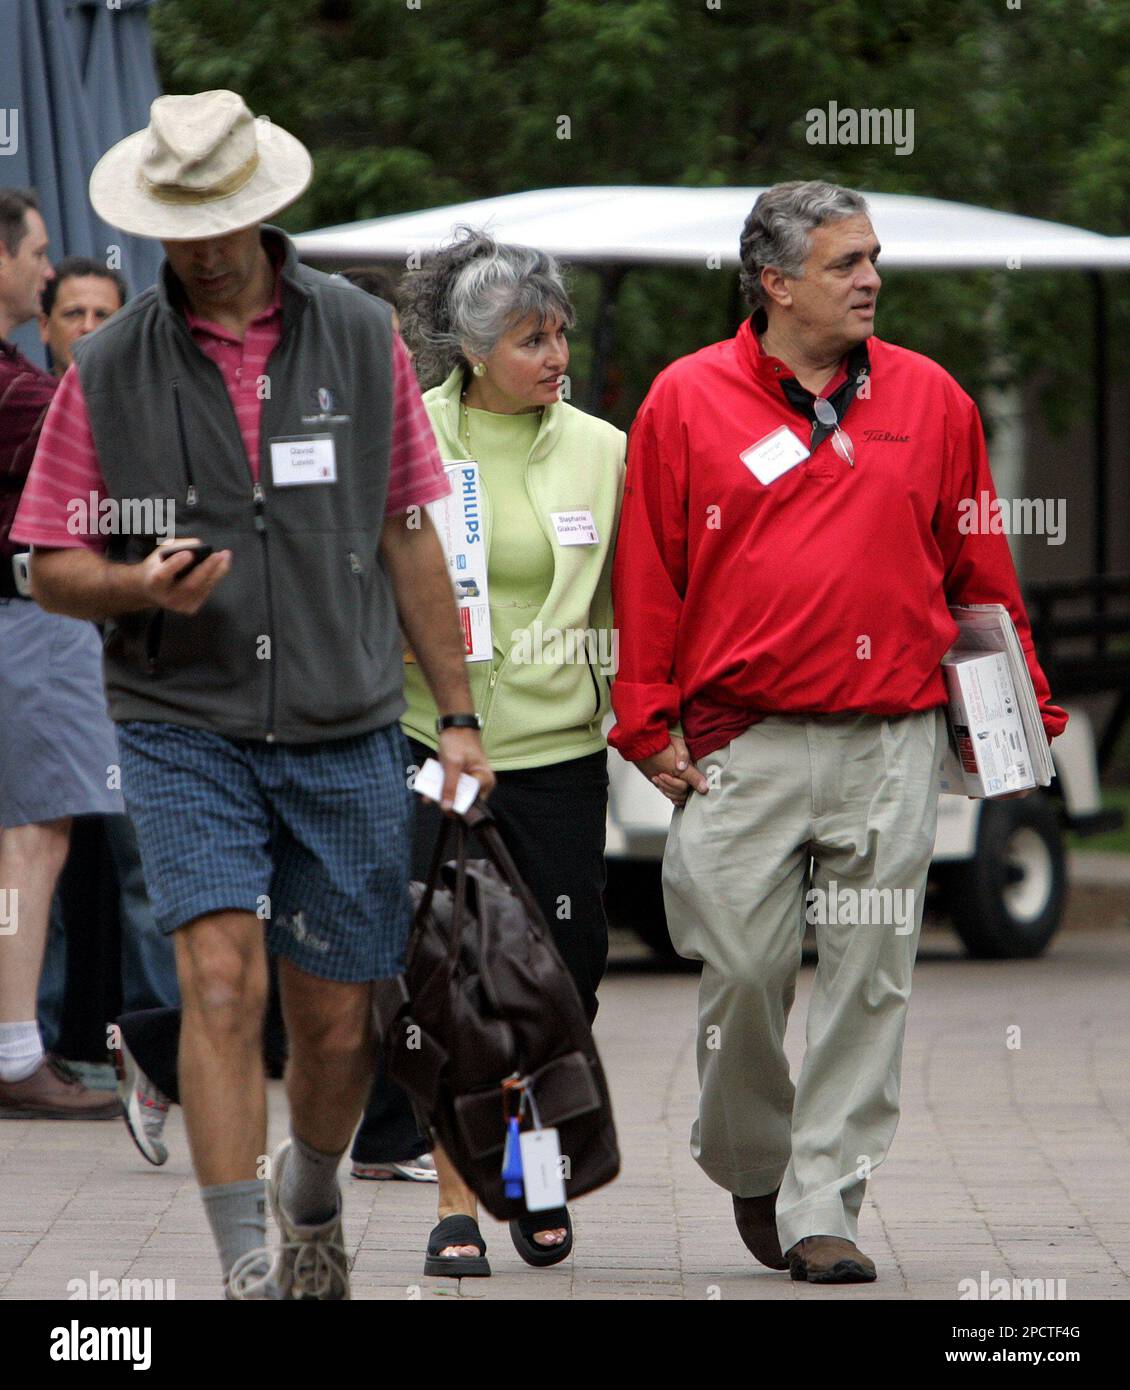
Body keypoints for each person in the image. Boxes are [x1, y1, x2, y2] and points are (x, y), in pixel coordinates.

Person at [12, 90, 494, 1300]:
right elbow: (46, 561)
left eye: (223, 216)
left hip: (343, 724)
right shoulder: (108, 364)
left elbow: (406, 534)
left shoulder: (357, 332)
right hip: (183, 725)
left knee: (339, 1020)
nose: (205, 243)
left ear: (267, 207)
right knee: (221, 979)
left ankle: (313, 1189)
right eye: (181, 221)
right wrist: (138, 586)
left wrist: (463, 712)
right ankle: (242, 1265)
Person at [608, 181, 1067, 1284]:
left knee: (870, 978)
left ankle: (825, 1205)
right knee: (739, 963)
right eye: (843, 262)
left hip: (890, 741)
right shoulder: (684, 400)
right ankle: (752, 1158)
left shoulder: (933, 399)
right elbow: (646, 575)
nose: (869, 279)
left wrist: (1022, 717)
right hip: (740, 742)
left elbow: (978, 575)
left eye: (872, 258)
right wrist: (643, 720)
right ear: (773, 283)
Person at [109, 263, 439, 1185]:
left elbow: (415, 555)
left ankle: (325, 1148)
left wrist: (457, 707)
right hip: (239, 718)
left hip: (382, 719)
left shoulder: (413, 423)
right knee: (236, 963)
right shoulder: (219, 402)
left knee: (341, 966)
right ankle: (374, 1154)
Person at [397, 229, 626, 1275]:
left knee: (559, 979)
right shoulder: (411, 437)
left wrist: (649, 722)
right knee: (445, 974)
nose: (556, 353)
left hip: (558, 750)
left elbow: (634, 602)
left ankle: (534, 1170)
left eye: (561, 333)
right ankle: (456, 1201)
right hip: (429, 742)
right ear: (475, 348)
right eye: (532, 338)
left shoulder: (601, 449)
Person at [0, 188, 123, 1120]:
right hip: (30, 616)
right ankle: (15, 1057)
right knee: (33, 836)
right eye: (38, 256)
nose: (48, 271)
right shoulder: (21, 391)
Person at [39, 257, 129, 373]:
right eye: (74, 314)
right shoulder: (17, 390)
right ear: (45, 326)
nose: (89, 327)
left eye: (102, 315)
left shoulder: (153, 390)